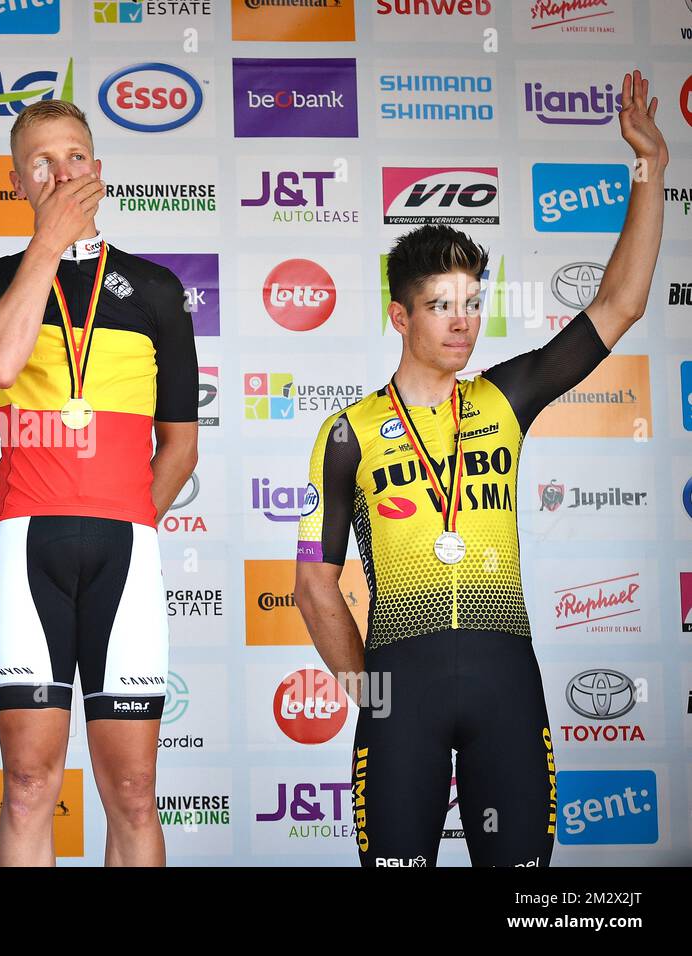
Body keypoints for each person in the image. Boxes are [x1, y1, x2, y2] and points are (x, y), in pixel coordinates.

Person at [294, 70, 668, 867]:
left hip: (507, 684)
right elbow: (312, 583)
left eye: (472, 303)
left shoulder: (506, 396)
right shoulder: (349, 432)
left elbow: (619, 306)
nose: (463, 322)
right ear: (400, 315)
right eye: (441, 305)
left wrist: (650, 168)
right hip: (402, 687)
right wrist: (372, 692)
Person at [0, 100, 200, 866]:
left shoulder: (158, 290)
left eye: (73, 156)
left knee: (132, 793)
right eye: (40, 162)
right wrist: (48, 244)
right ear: (16, 181)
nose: (60, 172)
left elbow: (182, 446)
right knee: (30, 784)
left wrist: (129, 514)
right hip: (28, 545)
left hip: (126, 554)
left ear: (97, 169)